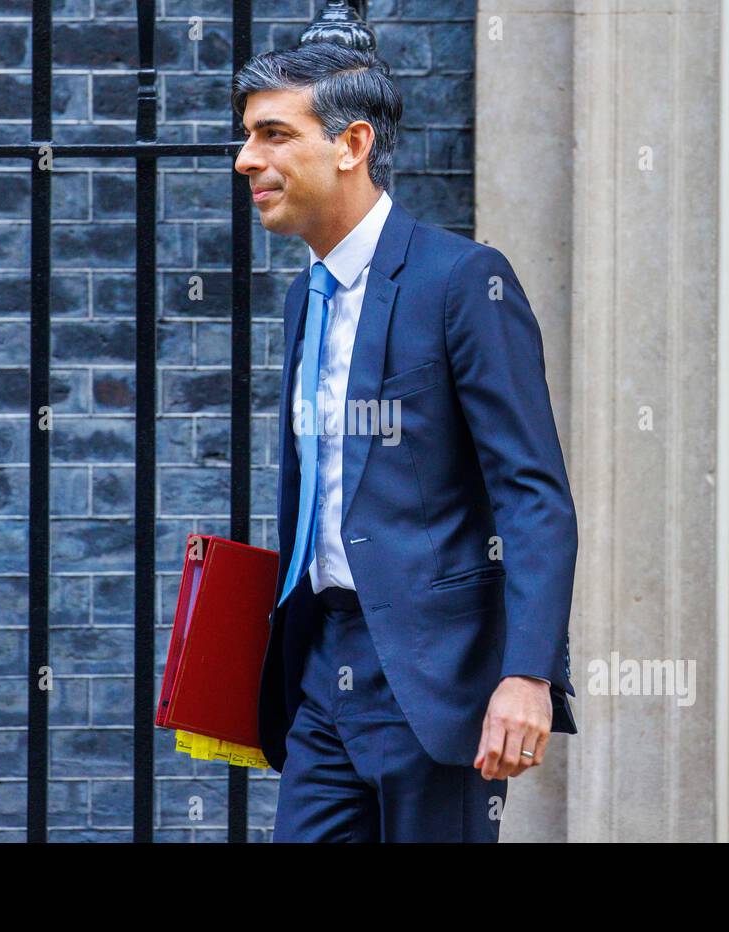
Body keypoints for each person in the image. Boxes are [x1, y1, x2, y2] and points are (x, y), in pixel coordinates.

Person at [233, 41, 579, 843]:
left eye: (274, 134)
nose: (247, 159)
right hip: (322, 671)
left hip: (433, 679)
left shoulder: (464, 281)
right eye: (248, 136)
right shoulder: (305, 297)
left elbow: (532, 493)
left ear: (352, 145)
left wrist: (527, 673)